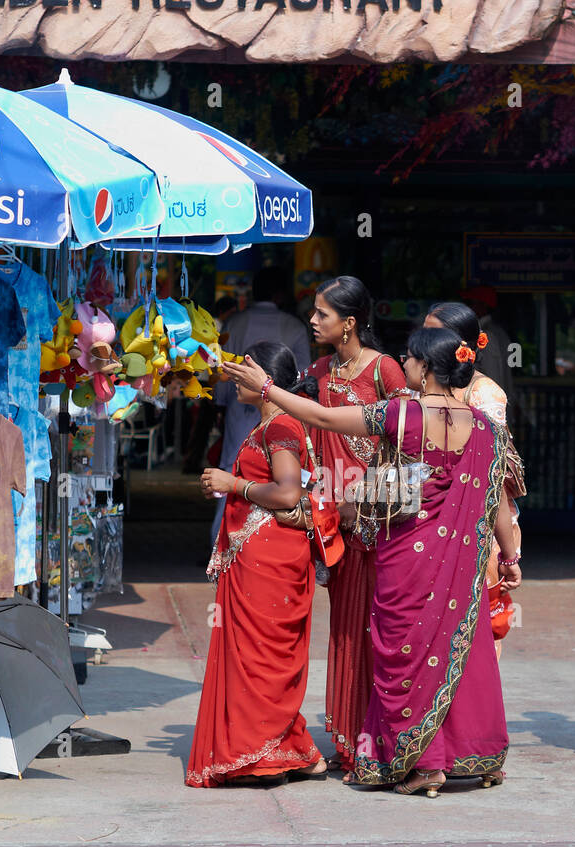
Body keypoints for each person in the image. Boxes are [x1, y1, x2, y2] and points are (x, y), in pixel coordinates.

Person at [223, 327, 521, 798]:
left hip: (407, 556)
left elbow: (320, 415)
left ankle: (423, 765)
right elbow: (498, 502)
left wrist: (268, 390)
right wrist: (509, 555)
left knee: (407, 651)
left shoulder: (403, 414)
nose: (404, 366)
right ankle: (468, 755)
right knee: (457, 647)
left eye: (409, 359)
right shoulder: (485, 429)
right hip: (461, 559)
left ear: (424, 367)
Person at [187, 342, 327, 788]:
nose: (232, 378)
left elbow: (287, 494)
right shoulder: (267, 426)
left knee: (260, 657)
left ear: (262, 377)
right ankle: (288, 751)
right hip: (260, 556)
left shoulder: (280, 426)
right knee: (255, 657)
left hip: (270, 560)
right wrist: (229, 487)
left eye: (241, 369)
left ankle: (262, 755)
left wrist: (235, 484)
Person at [303, 276, 409, 781]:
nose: (313, 320)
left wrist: (364, 496)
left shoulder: (385, 369)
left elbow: (410, 439)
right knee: (345, 629)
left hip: (378, 522)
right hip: (335, 524)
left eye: (322, 314)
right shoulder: (320, 371)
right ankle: (349, 742)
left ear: (349, 323)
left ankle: (380, 743)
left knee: (377, 632)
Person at [425, 301, 526, 660]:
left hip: (476, 524)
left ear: (463, 346)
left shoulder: (484, 393)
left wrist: (508, 552)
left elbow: (493, 473)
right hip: (431, 524)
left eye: (433, 333)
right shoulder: (419, 391)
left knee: (476, 628)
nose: (423, 340)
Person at [209, 267, 312, 546]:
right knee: (262, 469)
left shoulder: (236, 322)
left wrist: (219, 404)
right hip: (280, 405)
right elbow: (302, 373)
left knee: (233, 466)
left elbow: (222, 369)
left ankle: (223, 541)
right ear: (280, 293)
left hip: (239, 407)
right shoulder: (294, 325)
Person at [459, 286, 515, 408]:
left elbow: (493, 378)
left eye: (469, 303)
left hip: (488, 409)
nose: (466, 308)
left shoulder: (486, 336)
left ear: (482, 306)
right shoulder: (498, 332)